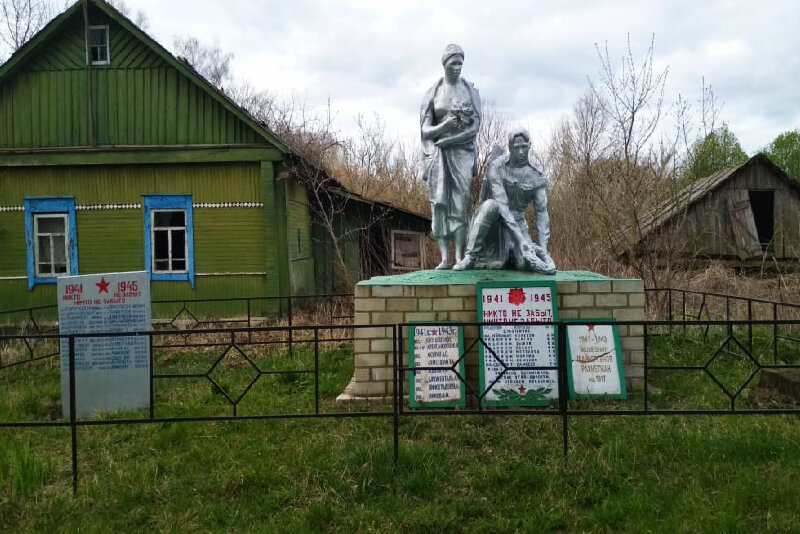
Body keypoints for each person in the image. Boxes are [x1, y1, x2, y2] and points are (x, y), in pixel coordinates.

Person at [453, 128, 556, 274]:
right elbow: (502, 206)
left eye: (524, 147)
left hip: (518, 221)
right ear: (509, 147)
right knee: (490, 205)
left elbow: (542, 214)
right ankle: (470, 257)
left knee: (524, 264)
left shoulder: (537, 175)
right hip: (496, 218)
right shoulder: (497, 167)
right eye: (516, 147)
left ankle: (515, 253)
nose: (521, 152)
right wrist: (521, 240)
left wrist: (543, 250)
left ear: (529, 145)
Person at [420, 44, 482, 269]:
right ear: (444, 64)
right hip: (439, 155)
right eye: (453, 63)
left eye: (460, 63)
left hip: (462, 153)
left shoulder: (470, 91)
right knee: (440, 205)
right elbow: (425, 131)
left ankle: (459, 257)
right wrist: (445, 127)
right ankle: (445, 258)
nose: (457, 67)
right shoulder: (433, 92)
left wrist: (452, 140)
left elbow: (475, 127)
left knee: (460, 203)